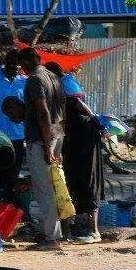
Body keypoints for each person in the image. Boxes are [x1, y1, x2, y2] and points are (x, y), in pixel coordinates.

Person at [49, 62, 104, 244]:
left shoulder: (62, 87)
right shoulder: (60, 87)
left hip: (84, 138)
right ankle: (80, 226)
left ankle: (94, 231)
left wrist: (95, 119)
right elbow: (60, 121)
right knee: (74, 180)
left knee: (88, 180)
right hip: (73, 140)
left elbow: (76, 104)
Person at [20, 47, 66, 250]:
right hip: (57, 135)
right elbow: (61, 112)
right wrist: (56, 145)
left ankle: (52, 238)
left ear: (25, 64)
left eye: (22, 65)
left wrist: (47, 146)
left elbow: (43, 113)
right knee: (55, 186)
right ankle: (55, 232)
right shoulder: (54, 77)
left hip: (41, 140)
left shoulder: (34, 80)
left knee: (44, 189)